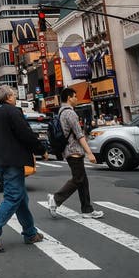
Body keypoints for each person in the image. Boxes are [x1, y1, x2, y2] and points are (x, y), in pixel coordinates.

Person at [0, 85, 48, 253]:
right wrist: (41, 150)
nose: (15, 97)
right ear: (9, 96)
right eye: (14, 95)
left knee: (20, 198)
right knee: (13, 197)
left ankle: (30, 233)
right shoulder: (13, 112)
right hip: (12, 162)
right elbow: (25, 134)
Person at [47, 87, 103, 220]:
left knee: (83, 181)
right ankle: (55, 199)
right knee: (78, 179)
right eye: (75, 96)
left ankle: (87, 209)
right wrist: (89, 153)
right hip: (74, 151)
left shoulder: (61, 112)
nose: (76, 99)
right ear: (69, 98)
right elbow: (79, 134)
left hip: (69, 150)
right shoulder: (70, 113)